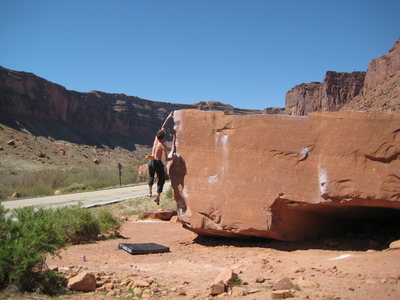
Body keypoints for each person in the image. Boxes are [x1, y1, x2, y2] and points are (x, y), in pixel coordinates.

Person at [147, 111, 174, 205]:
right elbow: (166, 159)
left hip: (150, 160)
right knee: (161, 179)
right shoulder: (163, 146)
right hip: (157, 163)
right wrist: (174, 156)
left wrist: (169, 117)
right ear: (163, 138)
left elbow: (163, 126)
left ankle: (150, 192)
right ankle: (158, 198)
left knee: (151, 175)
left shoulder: (156, 138)